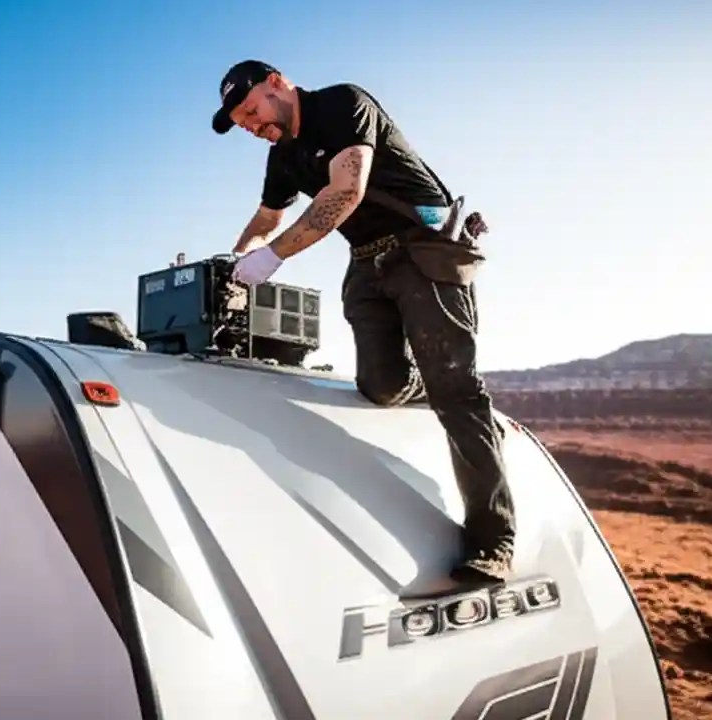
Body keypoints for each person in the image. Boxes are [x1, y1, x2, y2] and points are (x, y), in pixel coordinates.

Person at [209, 59, 515, 588]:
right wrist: (238, 257)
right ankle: (448, 393)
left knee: (456, 392)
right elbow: (267, 218)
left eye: (254, 110)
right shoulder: (283, 155)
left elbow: (345, 192)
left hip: (422, 251)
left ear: (277, 83)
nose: (255, 126)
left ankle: (493, 540)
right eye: (245, 125)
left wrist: (275, 257)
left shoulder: (342, 104)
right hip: (368, 262)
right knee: (382, 387)